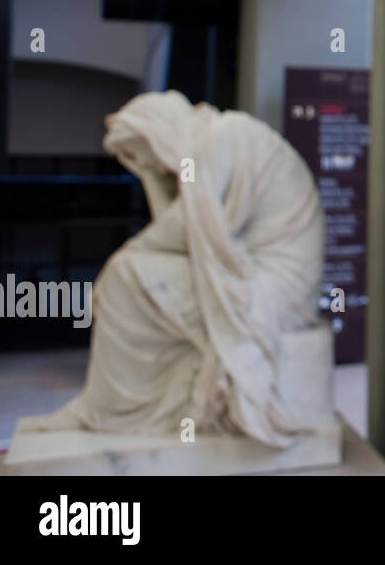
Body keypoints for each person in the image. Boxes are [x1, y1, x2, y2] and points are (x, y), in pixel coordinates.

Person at [19, 91, 325, 448]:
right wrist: (153, 175)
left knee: (125, 274)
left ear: (158, 132)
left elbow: (181, 230)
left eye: (141, 153)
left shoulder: (218, 139)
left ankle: (114, 411)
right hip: (256, 269)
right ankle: (115, 408)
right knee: (130, 270)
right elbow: (190, 232)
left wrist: (132, 243)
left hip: (273, 284)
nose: (145, 163)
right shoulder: (209, 143)